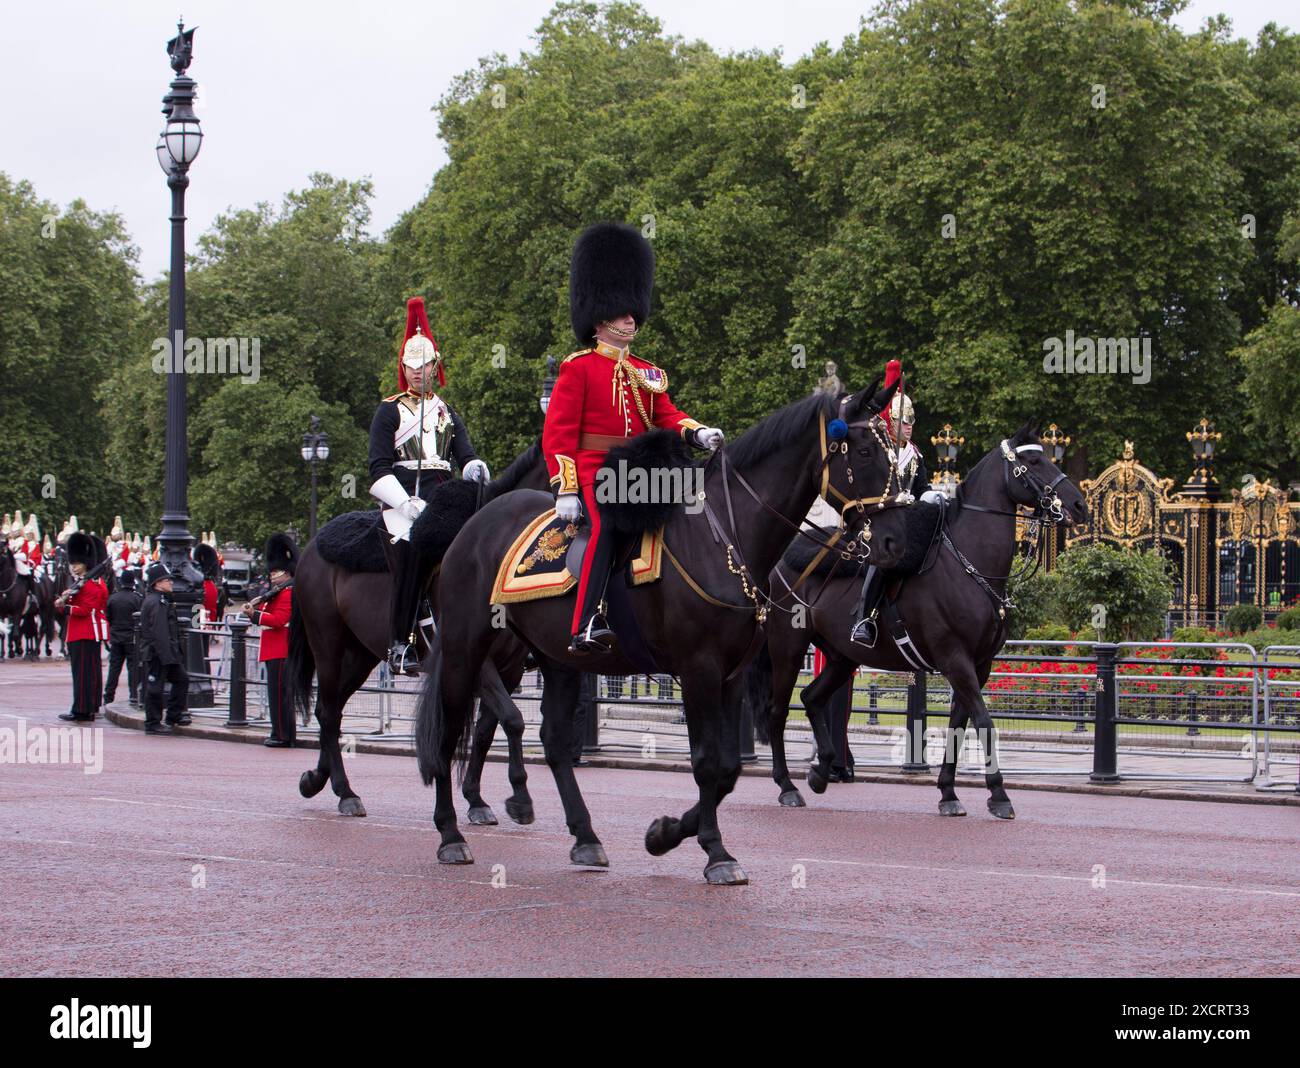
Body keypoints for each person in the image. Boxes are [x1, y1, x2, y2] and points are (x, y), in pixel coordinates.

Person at [542, 222, 724, 654]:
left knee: (696, 513)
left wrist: (697, 431)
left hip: (643, 473)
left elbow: (665, 414)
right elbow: (559, 433)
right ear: (600, 317)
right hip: (594, 471)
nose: (632, 319)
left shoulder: (647, 372)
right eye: (623, 312)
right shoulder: (578, 368)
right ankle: (585, 622)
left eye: (633, 311)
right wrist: (566, 487)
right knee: (606, 527)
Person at [369, 297, 490, 675]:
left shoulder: (448, 412)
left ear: (436, 367)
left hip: (447, 497)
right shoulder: (389, 410)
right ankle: (400, 642)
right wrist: (405, 504)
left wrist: (474, 467)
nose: (418, 373)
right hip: (403, 498)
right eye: (412, 367)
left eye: (425, 366)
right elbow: (377, 468)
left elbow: (464, 455)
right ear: (404, 368)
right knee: (410, 554)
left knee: (491, 543)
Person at [851, 359, 941, 646]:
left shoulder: (915, 454)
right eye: (904, 420)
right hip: (880, 519)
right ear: (891, 421)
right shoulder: (879, 450)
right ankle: (863, 619)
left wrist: (931, 497)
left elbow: (923, 486)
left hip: (910, 520)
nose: (909, 426)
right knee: (884, 556)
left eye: (912, 421)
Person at [241, 533, 296, 747]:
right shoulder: (276, 593)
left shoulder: (287, 593)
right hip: (275, 650)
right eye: (271, 571)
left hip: (281, 650)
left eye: (277, 571)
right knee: (277, 696)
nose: (272, 575)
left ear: (287, 572)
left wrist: (253, 615)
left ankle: (282, 735)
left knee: (280, 696)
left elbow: (280, 619)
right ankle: (281, 732)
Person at [54, 532, 107, 722]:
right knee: (85, 672)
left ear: (85, 563)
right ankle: (86, 706)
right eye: (73, 563)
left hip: (83, 632)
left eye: (77, 563)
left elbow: (85, 609)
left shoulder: (90, 584)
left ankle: (81, 710)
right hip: (81, 632)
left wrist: (65, 606)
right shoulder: (82, 583)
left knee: (82, 674)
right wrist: (66, 599)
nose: (73, 566)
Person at [138, 561, 190, 734]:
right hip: (158, 653)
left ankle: (173, 715)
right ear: (158, 583)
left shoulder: (160, 600)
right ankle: (152, 723)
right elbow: (159, 631)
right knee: (155, 688)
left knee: (181, 679)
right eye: (167, 580)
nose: (171, 583)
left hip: (167, 652)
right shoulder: (156, 602)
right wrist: (167, 656)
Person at [103, 567, 143, 707]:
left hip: (116, 638)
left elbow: (108, 617)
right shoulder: (137, 598)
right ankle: (133, 695)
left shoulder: (113, 598)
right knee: (133, 669)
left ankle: (108, 696)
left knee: (114, 669)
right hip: (132, 639)